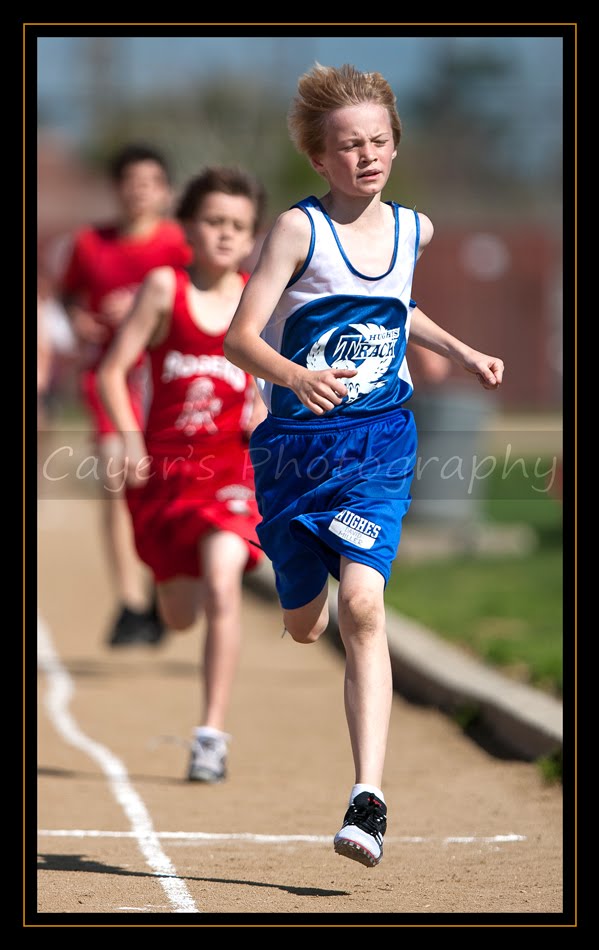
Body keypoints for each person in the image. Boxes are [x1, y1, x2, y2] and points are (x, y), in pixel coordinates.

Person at [223, 63, 504, 867]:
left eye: (379, 141)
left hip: (378, 443)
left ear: (395, 146)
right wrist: (294, 376)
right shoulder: (296, 232)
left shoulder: (414, 229)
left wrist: (461, 350)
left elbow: (399, 306)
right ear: (319, 157)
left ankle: (367, 799)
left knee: (364, 606)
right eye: (349, 146)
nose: (367, 156)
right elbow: (239, 338)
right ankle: (297, 576)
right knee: (307, 625)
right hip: (295, 453)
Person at [98, 166, 267, 782]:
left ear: (252, 237)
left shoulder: (257, 297)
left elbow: (277, 374)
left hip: (231, 470)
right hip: (167, 474)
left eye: (238, 226)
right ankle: (166, 591)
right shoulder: (164, 288)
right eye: (214, 221)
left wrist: (263, 403)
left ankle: (210, 735)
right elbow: (112, 370)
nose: (225, 234)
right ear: (188, 228)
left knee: (224, 584)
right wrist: (128, 435)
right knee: (179, 615)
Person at [59, 143, 192, 646]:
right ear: (116, 189)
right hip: (110, 380)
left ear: (166, 191)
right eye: (131, 183)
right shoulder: (89, 243)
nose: (140, 192)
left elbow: (204, 296)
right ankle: (131, 601)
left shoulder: (181, 244)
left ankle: (163, 587)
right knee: (118, 482)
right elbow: (69, 297)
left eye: (150, 183)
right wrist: (79, 319)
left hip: (168, 382)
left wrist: (142, 308)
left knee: (167, 488)